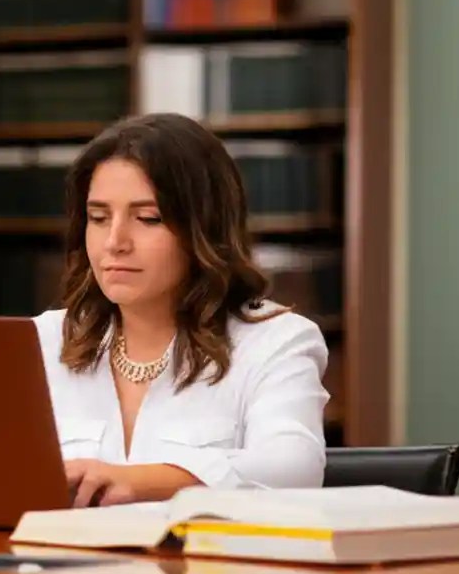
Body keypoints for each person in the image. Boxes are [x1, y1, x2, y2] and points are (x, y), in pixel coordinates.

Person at [33, 112, 329, 507]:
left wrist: (139, 482)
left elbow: (294, 469)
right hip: (56, 563)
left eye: (148, 219)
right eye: (98, 218)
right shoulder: (42, 340)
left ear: (203, 230)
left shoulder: (276, 340)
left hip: (204, 567)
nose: (115, 242)